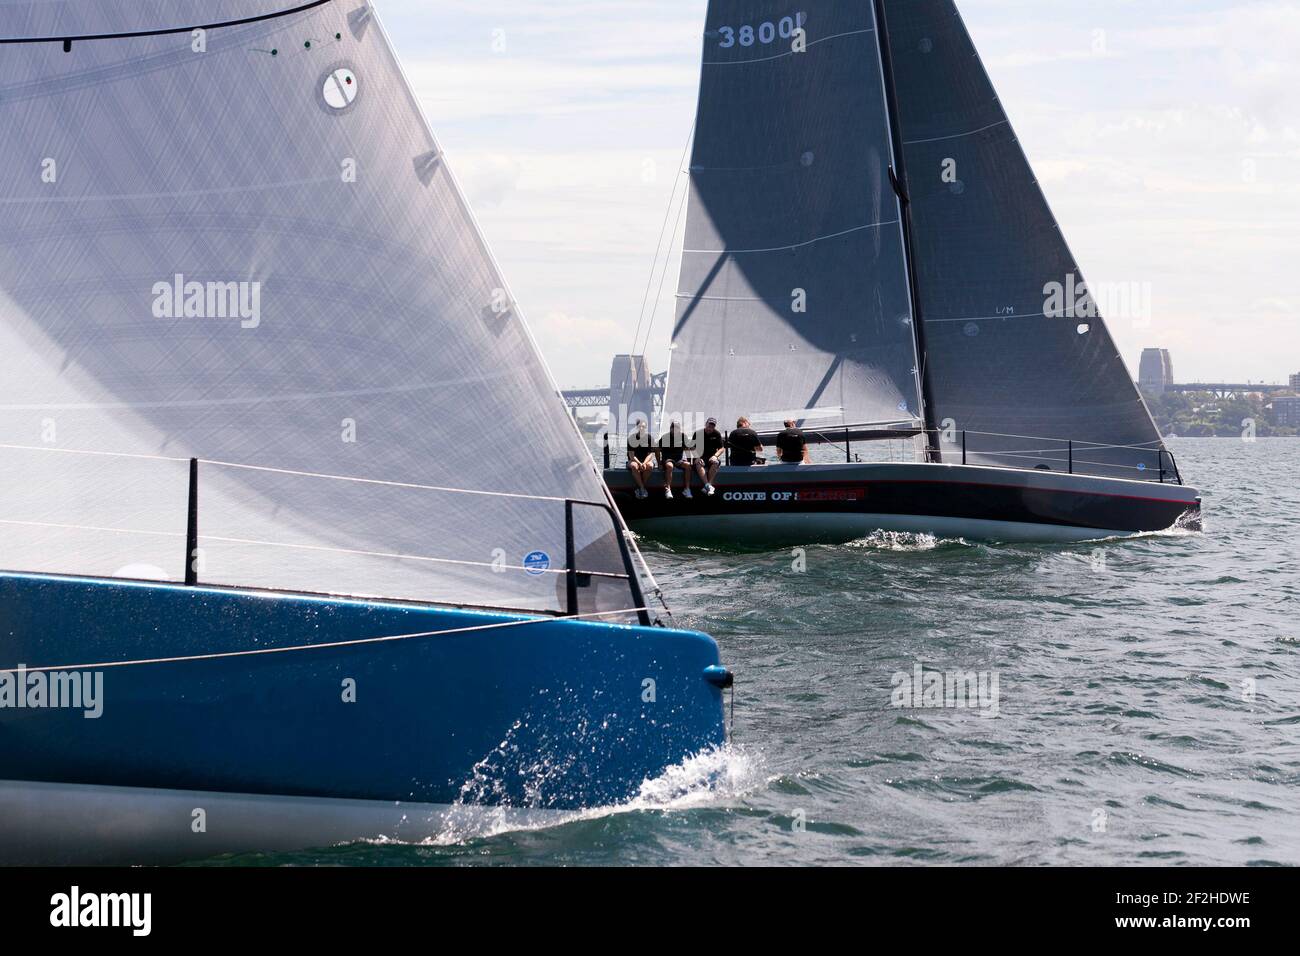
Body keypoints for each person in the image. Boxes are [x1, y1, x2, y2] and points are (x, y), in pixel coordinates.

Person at [690, 417, 725, 496]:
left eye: (712, 427)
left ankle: (707, 486)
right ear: (706, 424)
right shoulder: (697, 433)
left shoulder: (717, 434)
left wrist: (715, 456)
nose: (710, 428)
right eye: (709, 426)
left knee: (716, 463)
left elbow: (722, 448)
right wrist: (697, 457)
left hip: (711, 457)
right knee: (699, 463)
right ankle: (708, 485)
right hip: (700, 456)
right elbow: (692, 447)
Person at [657, 419, 690, 499]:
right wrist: (659, 463)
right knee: (670, 466)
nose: (675, 429)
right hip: (668, 459)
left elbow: (688, 449)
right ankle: (668, 489)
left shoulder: (683, 436)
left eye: (677, 428)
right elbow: (657, 450)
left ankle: (687, 489)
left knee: (688, 465)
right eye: (673, 427)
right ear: (670, 428)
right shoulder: (665, 437)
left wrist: (689, 460)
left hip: (679, 459)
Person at [625, 419, 655, 499]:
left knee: (650, 466)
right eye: (640, 426)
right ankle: (642, 488)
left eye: (643, 427)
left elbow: (650, 455)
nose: (641, 428)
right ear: (637, 427)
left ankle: (641, 488)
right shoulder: (631, 438)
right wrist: (640, 463)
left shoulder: (650, 438)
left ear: (646, 428)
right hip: (634, 460)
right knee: (634, 466)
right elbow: (631, 456)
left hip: (645, 461)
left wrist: (644, 463)